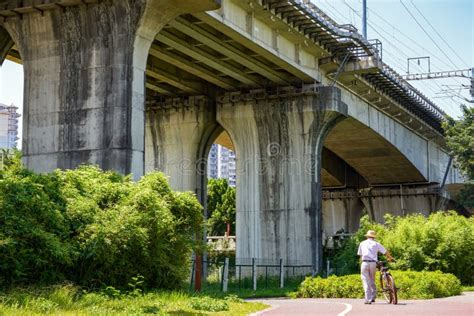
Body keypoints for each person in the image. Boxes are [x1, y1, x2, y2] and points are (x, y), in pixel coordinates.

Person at [357, 230, 393, 304]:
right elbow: (385, 252)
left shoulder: (362, 243)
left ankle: (368, 299)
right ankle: (373, 297)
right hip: (373, 263)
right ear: (374, 237)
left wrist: (362, 263)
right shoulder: (376, 244)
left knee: (365, 281)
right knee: (372, 280)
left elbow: (360, 256)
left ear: (367, 236)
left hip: (364, 263)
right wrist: (390, 258)